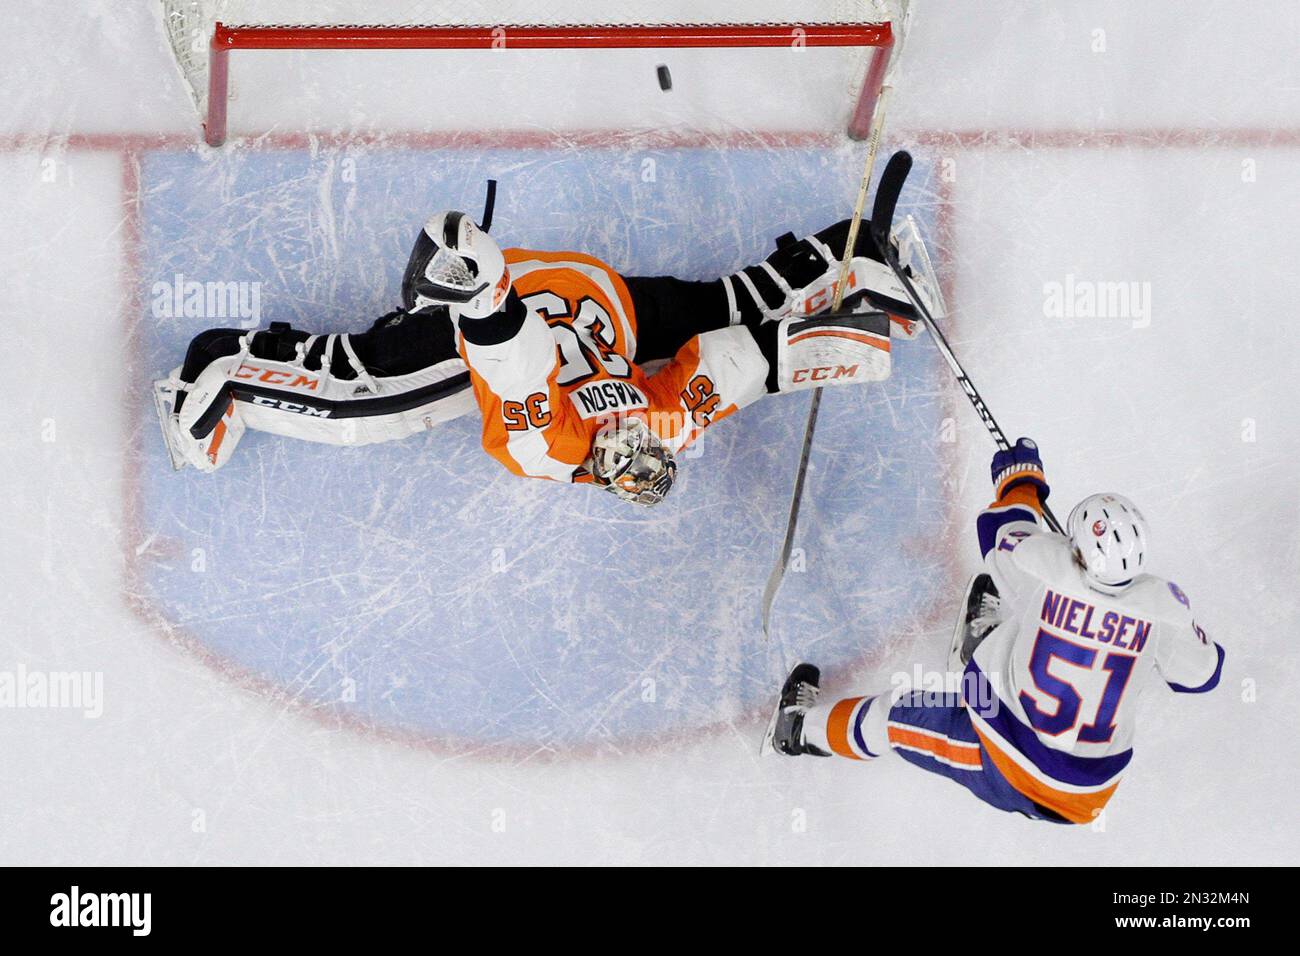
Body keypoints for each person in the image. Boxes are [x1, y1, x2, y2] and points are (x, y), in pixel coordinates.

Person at [156, 207, 931, 505]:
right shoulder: (554, 447)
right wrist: (484, 296)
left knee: (719, 303)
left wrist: (857, 342)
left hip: (591, 292)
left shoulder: (665, 423)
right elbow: (514, 366)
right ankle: (217, 367)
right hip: (514, 308)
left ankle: (849, 252)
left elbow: (741, 362)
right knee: (366, 403)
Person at [765, 438, 1225, 824]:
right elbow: (1203, 675)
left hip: (1009, 763)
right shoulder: (1164, 608)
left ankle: (800, 731)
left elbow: (999, 529)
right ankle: (977, 649)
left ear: (1080, 551)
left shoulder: (1047, 568)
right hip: (1091, 794)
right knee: (1034, 629)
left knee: (897, 715)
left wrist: (1021, 481)